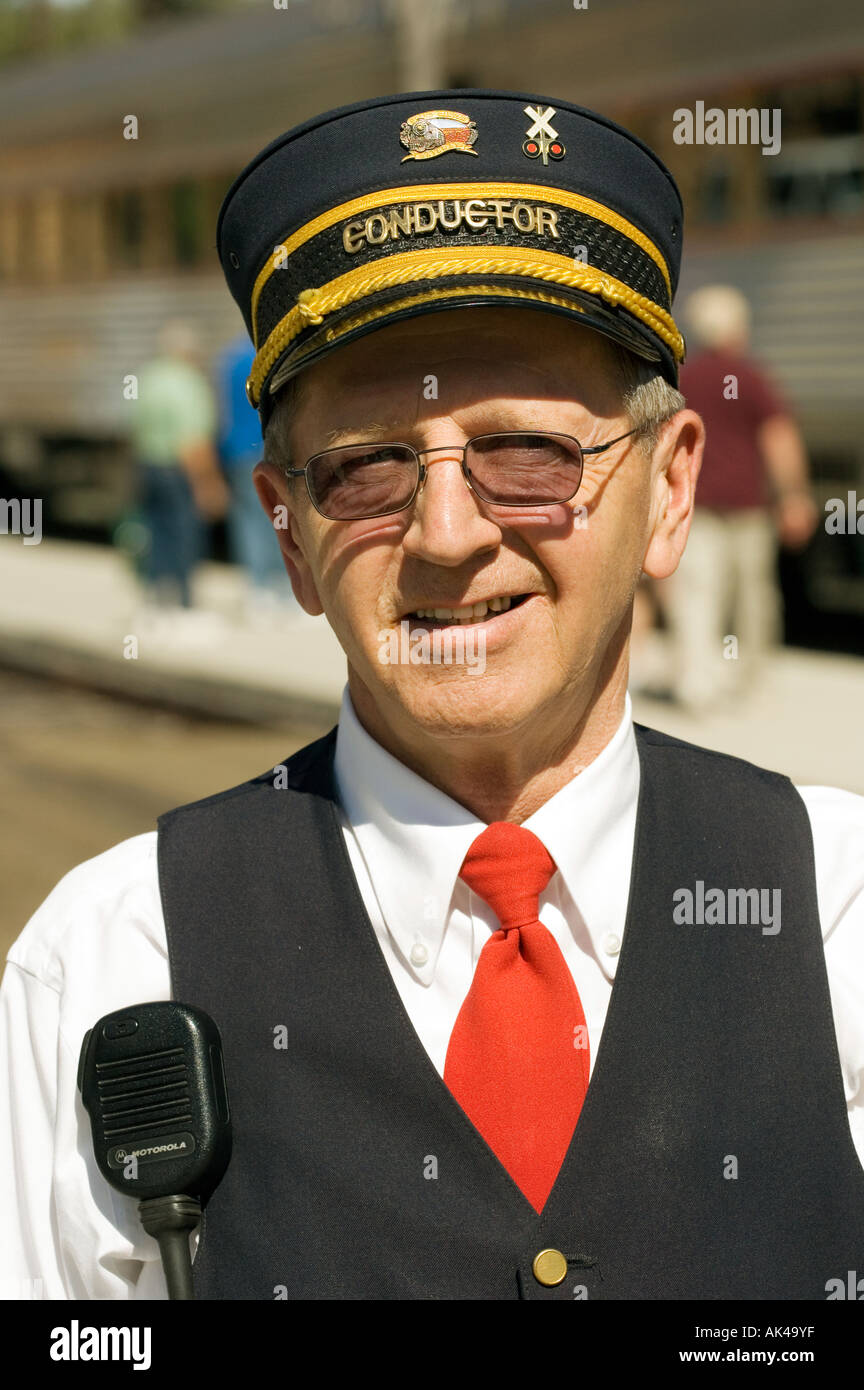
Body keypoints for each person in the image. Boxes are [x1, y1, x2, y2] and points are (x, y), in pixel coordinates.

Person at [1, 91, 862, 1301]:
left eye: (528, 453)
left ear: (670, 494)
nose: (448, 533)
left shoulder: (841, 918)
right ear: (291, 540)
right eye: (366, 467)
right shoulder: (108, 967)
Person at [660, 285, 818, 708]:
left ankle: (697, 682)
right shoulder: (749, 376)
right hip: (748, 509)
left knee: (697, 592)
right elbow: (779, 439)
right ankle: (749, 679)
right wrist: (794, 496)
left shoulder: (681, 377)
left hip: (696, 507)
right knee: (752, 594)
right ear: (737, 329)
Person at [131, 320, 228, 610]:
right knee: (185, 532)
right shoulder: (188, 383)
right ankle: (184, 602)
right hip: (179, 470)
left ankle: (156, 597)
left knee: (157, 531)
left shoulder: (149, 377)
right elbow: (193, 441)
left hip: (148, 463)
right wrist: (208, 483)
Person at [215, 332, 295, 616]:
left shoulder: (229, 359)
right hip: (267, 449)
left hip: (236, 451)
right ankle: (283, 589)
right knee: (279, 520)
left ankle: (257, 590)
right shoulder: (270, 355)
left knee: (248, 521)